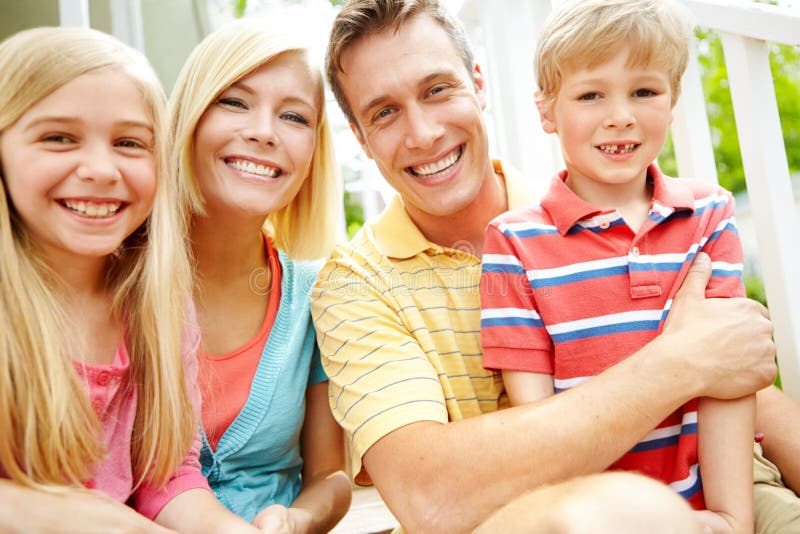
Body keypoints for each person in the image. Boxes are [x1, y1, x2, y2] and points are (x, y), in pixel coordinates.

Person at [311, 0, 778, 531]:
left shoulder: (601, 203)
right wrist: (679, 363)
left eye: (437, 89)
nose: (423, 133)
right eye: (384, 112)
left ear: (478, 84)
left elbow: (733, 365)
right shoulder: (355, 287)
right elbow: (431, 500)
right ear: (361, 138)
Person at [479, 1, 751, 532]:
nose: (621, 115)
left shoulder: (709, 215)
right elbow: (537, 425)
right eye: (591, 95)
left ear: (673, 99)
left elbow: (730, 374)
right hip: (589, 515)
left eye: (644, 91)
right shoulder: (513, 242)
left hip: (709, 509)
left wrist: (730, 517)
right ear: (547, 111)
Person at [0, 27, 261, 532]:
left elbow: (168, 477)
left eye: (129, 143)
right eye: (59, 138)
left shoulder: (159, 308)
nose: (101, 169)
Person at [168, 19, 351, 533]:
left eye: (294, 116)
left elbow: (329, 475)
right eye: (235, 102)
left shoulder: (318, 295)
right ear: (189, 117)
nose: (264, 132)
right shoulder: (119, 280)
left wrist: (296, 519)